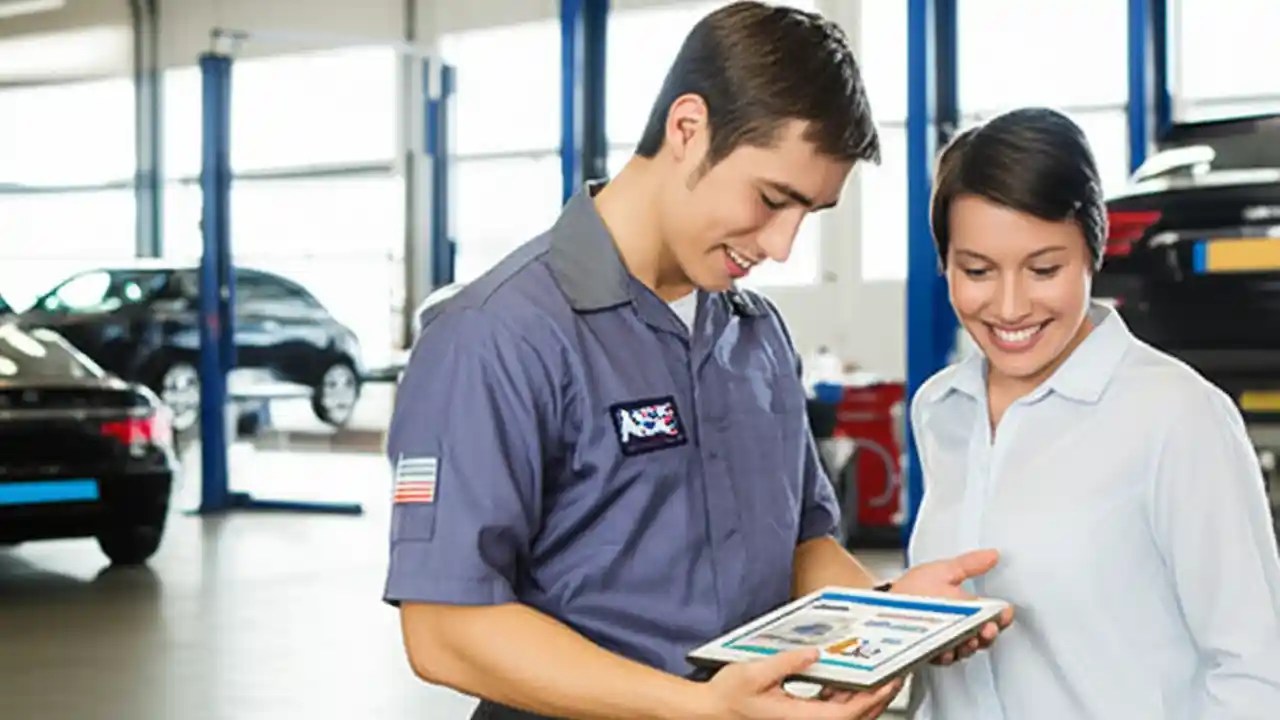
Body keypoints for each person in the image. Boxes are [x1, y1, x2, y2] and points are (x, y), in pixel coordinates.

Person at [384, 4, 1010, 719]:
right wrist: (703, 708)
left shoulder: (754, 334)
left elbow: (802, 547)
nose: (781, 246)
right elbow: (443, 631)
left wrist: (892, 617)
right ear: (688, 129)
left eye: (810, 212)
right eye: (773, 199)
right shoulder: (496, 337)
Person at [905, 106, 1280, 719]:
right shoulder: (942, 410)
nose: (1009, 305)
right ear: (945, 263)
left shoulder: (1176, 416)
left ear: (1093, 251)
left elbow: (1255, 672)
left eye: (1044, 269)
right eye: (976, 271)